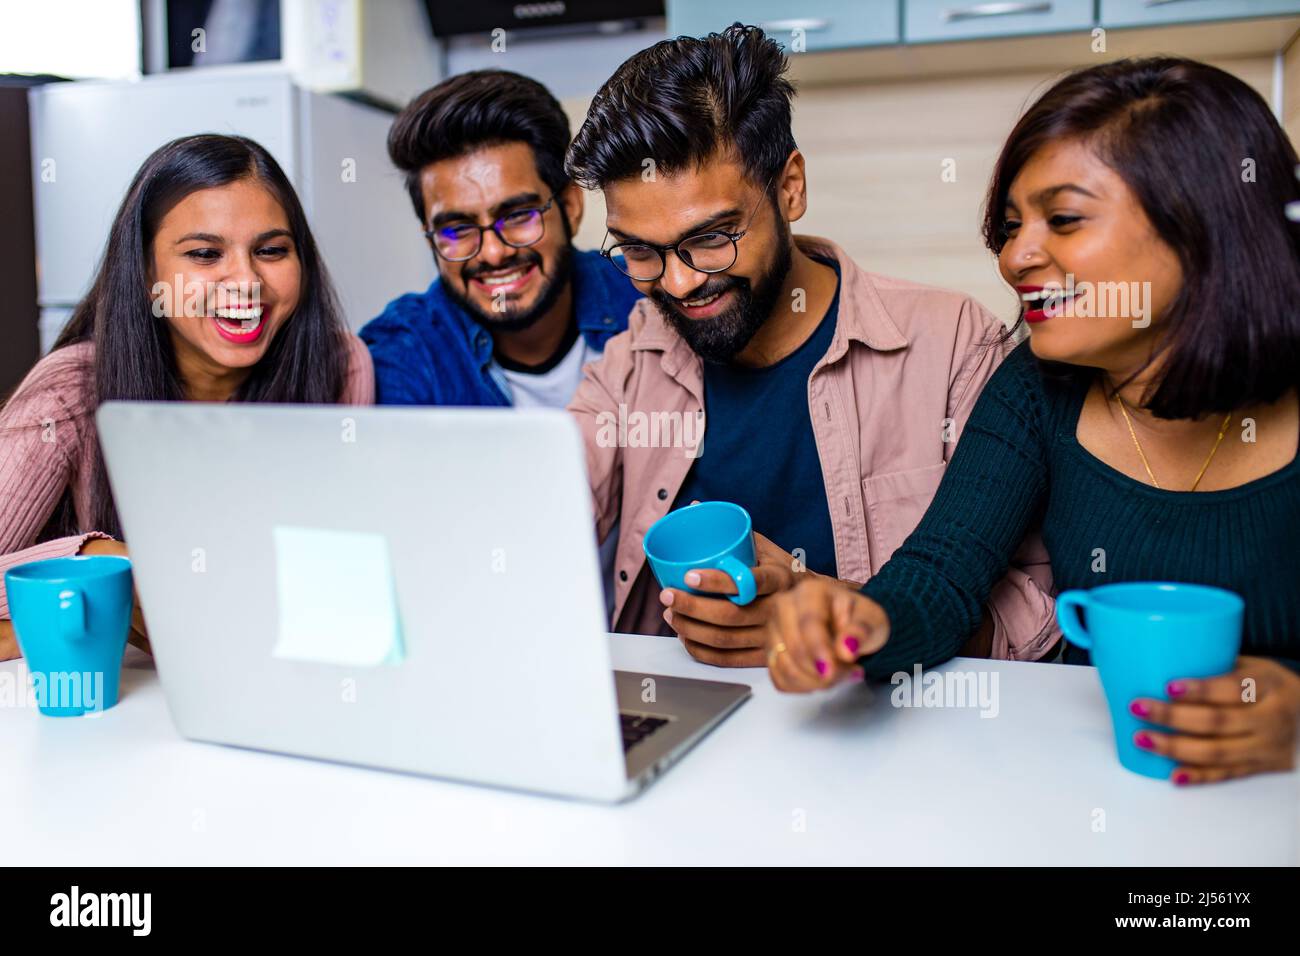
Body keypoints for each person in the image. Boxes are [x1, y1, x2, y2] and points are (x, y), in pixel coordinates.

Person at [764, 57, 1300, 784]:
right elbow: (943, 576)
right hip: (1104, 786)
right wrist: (866, 622)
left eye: (1065, 219)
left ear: (1207, 222)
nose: (1015, 256)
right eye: (1012, 225)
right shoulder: (1035, 388)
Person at [564, 24, 1057, 666]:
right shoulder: (639, 356)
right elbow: (546, 498)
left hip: (887, 730)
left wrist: (823, 614)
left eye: (713, 237)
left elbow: (1034, 616)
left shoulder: (953, 348)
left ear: (789, 187)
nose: (681, 283)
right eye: (638, 251)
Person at [0, 134, 374, 660]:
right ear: (147, 272)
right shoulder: (69, 394)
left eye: (271, 251)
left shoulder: (341, 365)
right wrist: (97, 566)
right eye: (204, 254)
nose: (245, 281)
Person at [359, 70, 641, 409]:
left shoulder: (649, 296)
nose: (493, 253)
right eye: (457, 229)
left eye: (518, 216)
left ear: (570, 206)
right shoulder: (405, 353)